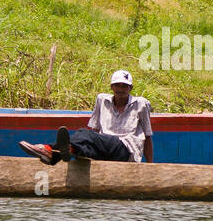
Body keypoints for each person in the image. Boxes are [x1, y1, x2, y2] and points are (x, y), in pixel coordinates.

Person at [19, 70, 154, 164]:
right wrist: (89, 149)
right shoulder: (102, 100)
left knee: (84, 133)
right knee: (83, 148)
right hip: (105, 149)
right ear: (112, 87)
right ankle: (59, 153)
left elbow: (147, 136)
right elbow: (94, 131)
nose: (121, 89)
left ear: (130, 88)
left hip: (125, 150)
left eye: (125, 86)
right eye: (117, 85)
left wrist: (150, 166)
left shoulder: (140, 104)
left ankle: (49, 149)